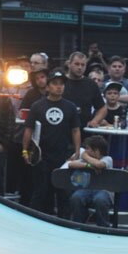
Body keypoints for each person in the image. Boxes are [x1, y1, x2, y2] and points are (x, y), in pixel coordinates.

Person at [22, 70, 81, 218]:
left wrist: (77, 151)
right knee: (40, 191)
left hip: (63, 156)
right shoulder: (37, 106)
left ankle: (65, 223)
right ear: (47, 87)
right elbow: (28, 129)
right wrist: (25, 151)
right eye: (55, 84)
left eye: (61, 84)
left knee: (63, 193)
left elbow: (75, 130)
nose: (59, 87)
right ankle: (35, 221)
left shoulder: (70, 107)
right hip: (42, 156)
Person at [67, 135, 115, 227]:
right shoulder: (86, 160)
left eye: (88, 149)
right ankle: (78, 225)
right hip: (87, 189)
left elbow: (99, 164)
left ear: (96, 151)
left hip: (104, 190)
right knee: (76, 197)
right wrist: (88, 165)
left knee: (100, 200)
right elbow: (71, 164)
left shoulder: (107, 159)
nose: (85, 151)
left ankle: (103, 227)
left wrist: (85, 156)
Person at [62, 51, 107, 129]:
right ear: (69, 64)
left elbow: (102, 108)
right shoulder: (60, 82)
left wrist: (95, 121)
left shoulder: (91, 84)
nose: (80, 67)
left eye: (83, 65)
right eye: (77, 64)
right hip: (62, 128)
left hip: (84, 130)